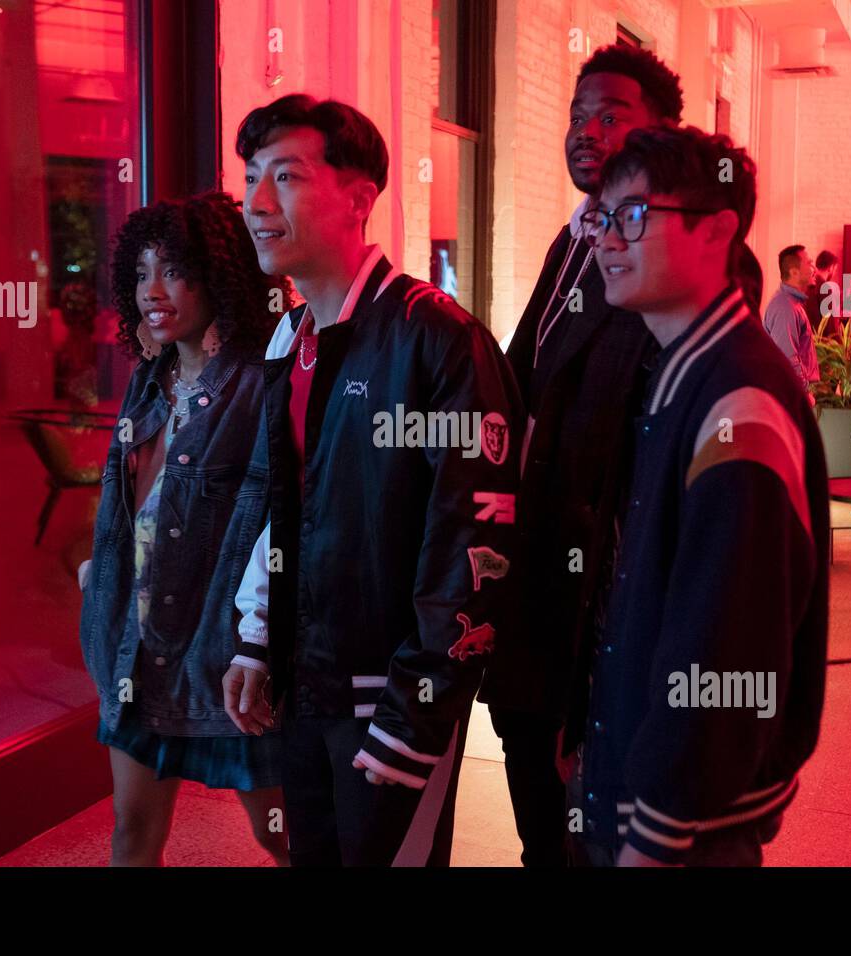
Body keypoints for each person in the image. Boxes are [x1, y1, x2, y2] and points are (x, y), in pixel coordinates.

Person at [223, 94, 523, 866]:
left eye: (285, 177)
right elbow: (281, 508)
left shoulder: (437, 340)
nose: (257, 202)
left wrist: (419, 712)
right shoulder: (291, 338)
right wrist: (257, 642)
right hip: (303, 690)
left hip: (391, 703)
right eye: (252, 177)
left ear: (360, 198)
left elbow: (474, 539)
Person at [566, 125, 829, 866]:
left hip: (687, 831)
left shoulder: (738, 396)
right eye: (600, 218)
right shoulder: (683, 368)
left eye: (633, 216)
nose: (607, 240)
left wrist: (659, 822)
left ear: (717, 232)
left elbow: (726, 638)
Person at [478, 42, 678, 868]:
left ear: (661, 136)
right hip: (532, 593)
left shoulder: (666, 259)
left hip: (597, 612)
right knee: (541, 827)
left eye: (610, 116)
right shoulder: (574, 243)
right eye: (575, 113)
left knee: (588, 833)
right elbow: (522, 381)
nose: (585, 130)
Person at [77, 191, 292, 866]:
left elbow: (280, 519)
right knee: (132, 835)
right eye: (141, 274)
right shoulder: (149, 381)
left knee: (284, 835)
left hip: (220, 651)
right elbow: (132, 503)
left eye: (172, 269)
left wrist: (261, 644)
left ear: (218, 276)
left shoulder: (260, 386)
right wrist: (97, 574)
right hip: (137, 646)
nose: (152, 291)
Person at [763, 244, 820, 399]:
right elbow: (787, 356)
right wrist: (803, 392)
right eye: (809, 263)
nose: (814, 268)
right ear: (794, 272)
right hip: (787, 395)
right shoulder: (785, 306)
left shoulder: (792, 303)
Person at [806, 249, 839, 338]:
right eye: (835, 269)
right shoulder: (825, 288)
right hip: (821, 344)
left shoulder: (807, 285)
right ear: (831, 267)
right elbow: (829, 324)